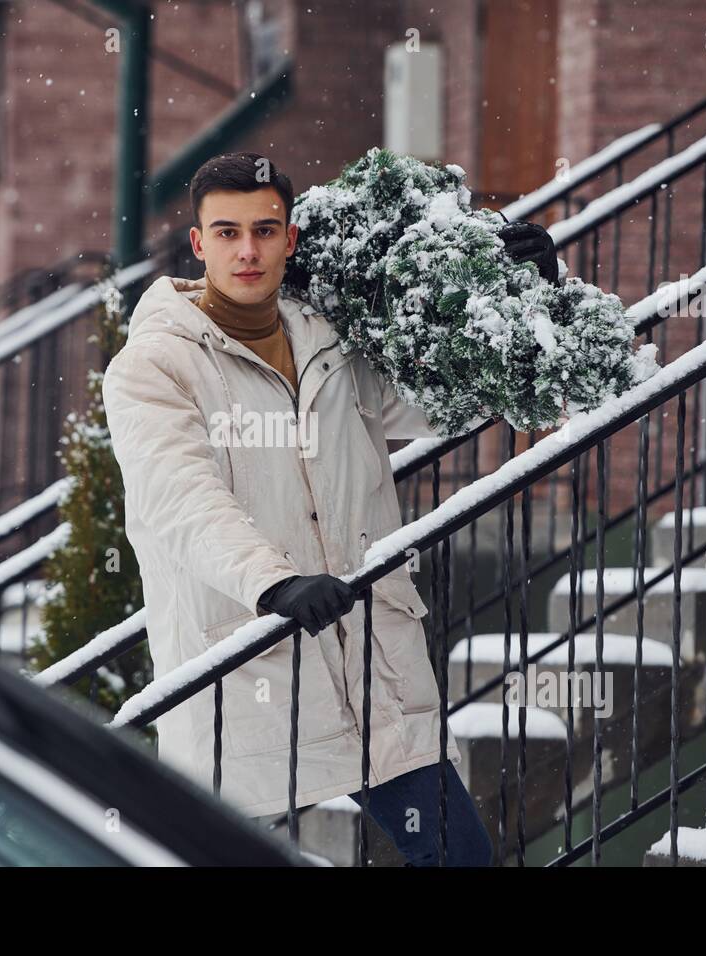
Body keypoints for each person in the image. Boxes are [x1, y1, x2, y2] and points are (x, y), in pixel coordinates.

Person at [101, 151, 557, 866]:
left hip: (374, 665)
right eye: (226, 232)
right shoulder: (155, 366)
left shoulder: (334, 338)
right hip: (253, 670)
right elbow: (178, 496)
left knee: (460, 860)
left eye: (264, 229)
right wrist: (273, 581)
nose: (247, 249)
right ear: (198, 245)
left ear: (291, 239)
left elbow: (446, 402)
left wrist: (520, 302)